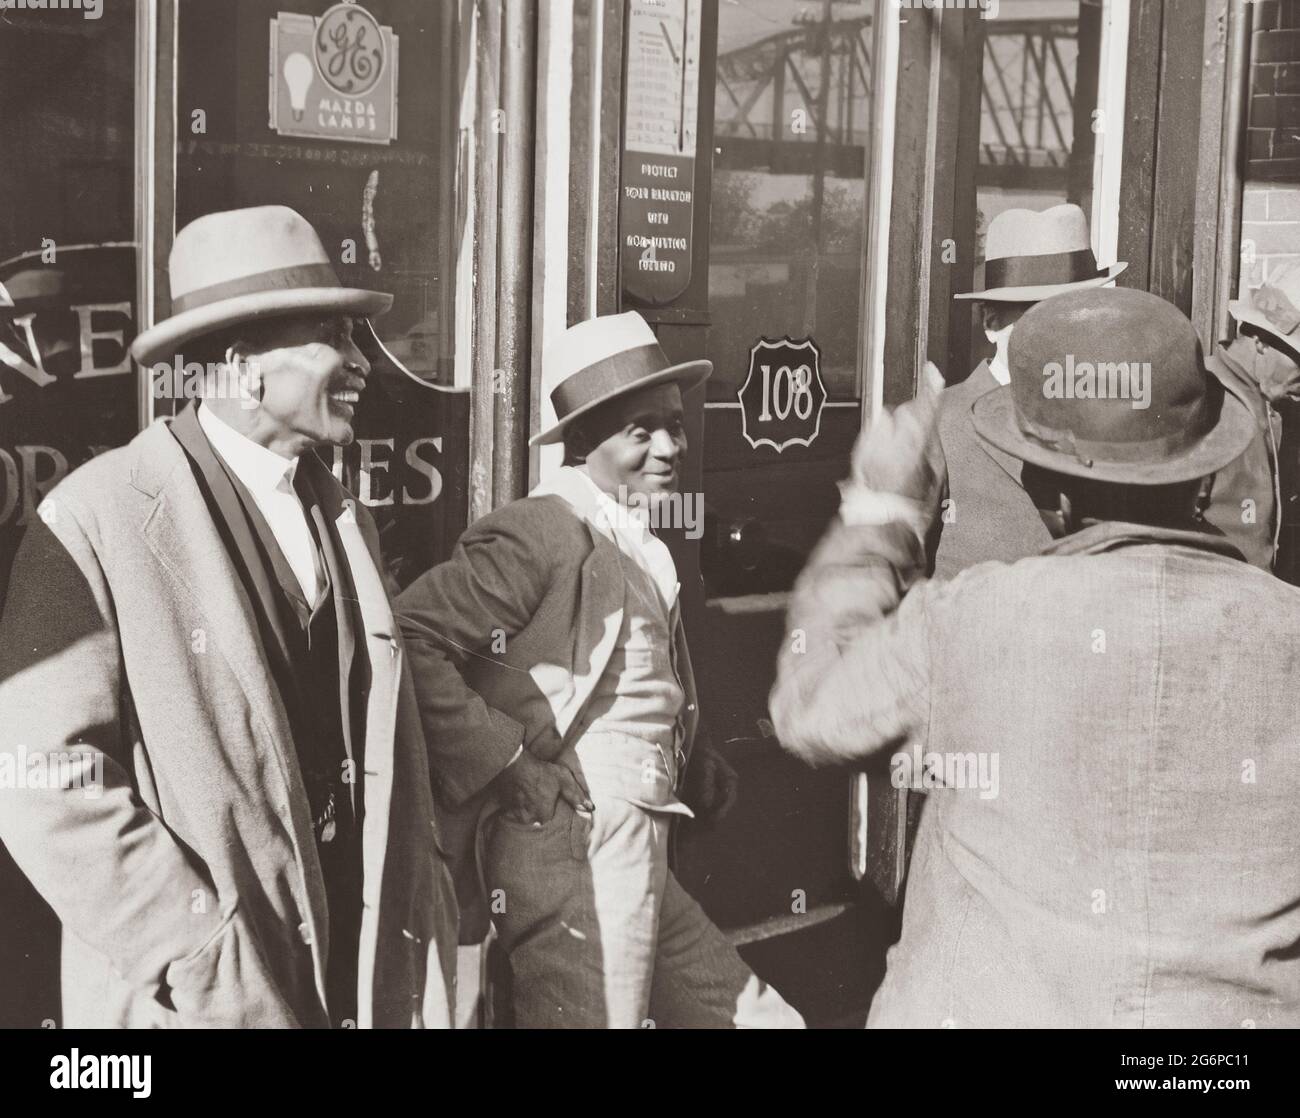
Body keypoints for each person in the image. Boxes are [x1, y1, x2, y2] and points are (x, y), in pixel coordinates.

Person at [771, 287, 1300, 1027]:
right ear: (1206, 472)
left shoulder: (970, 619)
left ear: (1046, 489)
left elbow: (811, 707)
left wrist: (879, 516)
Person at [0, 205, 457, 1028]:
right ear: (245, 363)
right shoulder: (96, 519)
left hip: (347, 975)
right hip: (201, 1000)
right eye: (333, 338)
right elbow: (43, 784)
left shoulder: (339, 512)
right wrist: (201, 951)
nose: (361, 364)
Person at [396, 311, 803, 1028]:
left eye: (674, 426)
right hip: (573, 844)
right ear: (583, 442)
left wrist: (690, 758)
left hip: (635, 841)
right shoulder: (542, 529)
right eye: (640, 431)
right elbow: (413, 634)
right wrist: (508, 762)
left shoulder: (643, 540)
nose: (669, 447)